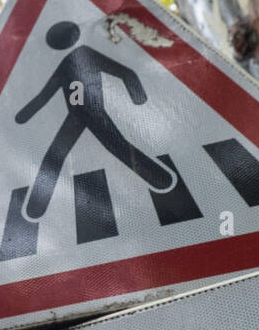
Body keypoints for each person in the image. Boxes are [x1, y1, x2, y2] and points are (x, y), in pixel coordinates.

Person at [14, 20, 175, 220]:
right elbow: (45, 95)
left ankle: (162, 180)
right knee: (56, 155)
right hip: (76, 115)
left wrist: (139, 97)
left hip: (94, 112)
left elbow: (124, 72)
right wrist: (22, 117)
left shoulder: (86, 54)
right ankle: (35, 207)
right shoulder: (66, 64)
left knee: (118, 147)